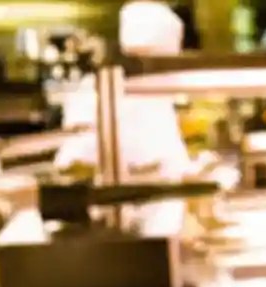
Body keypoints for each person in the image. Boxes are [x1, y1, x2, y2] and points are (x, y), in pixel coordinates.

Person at [55, 1, 191, 237]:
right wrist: (141, 174)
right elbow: (72, 166)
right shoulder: (95, 93)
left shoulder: (156, 92)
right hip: (117, 229)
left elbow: (171, 157)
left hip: (166, 223)